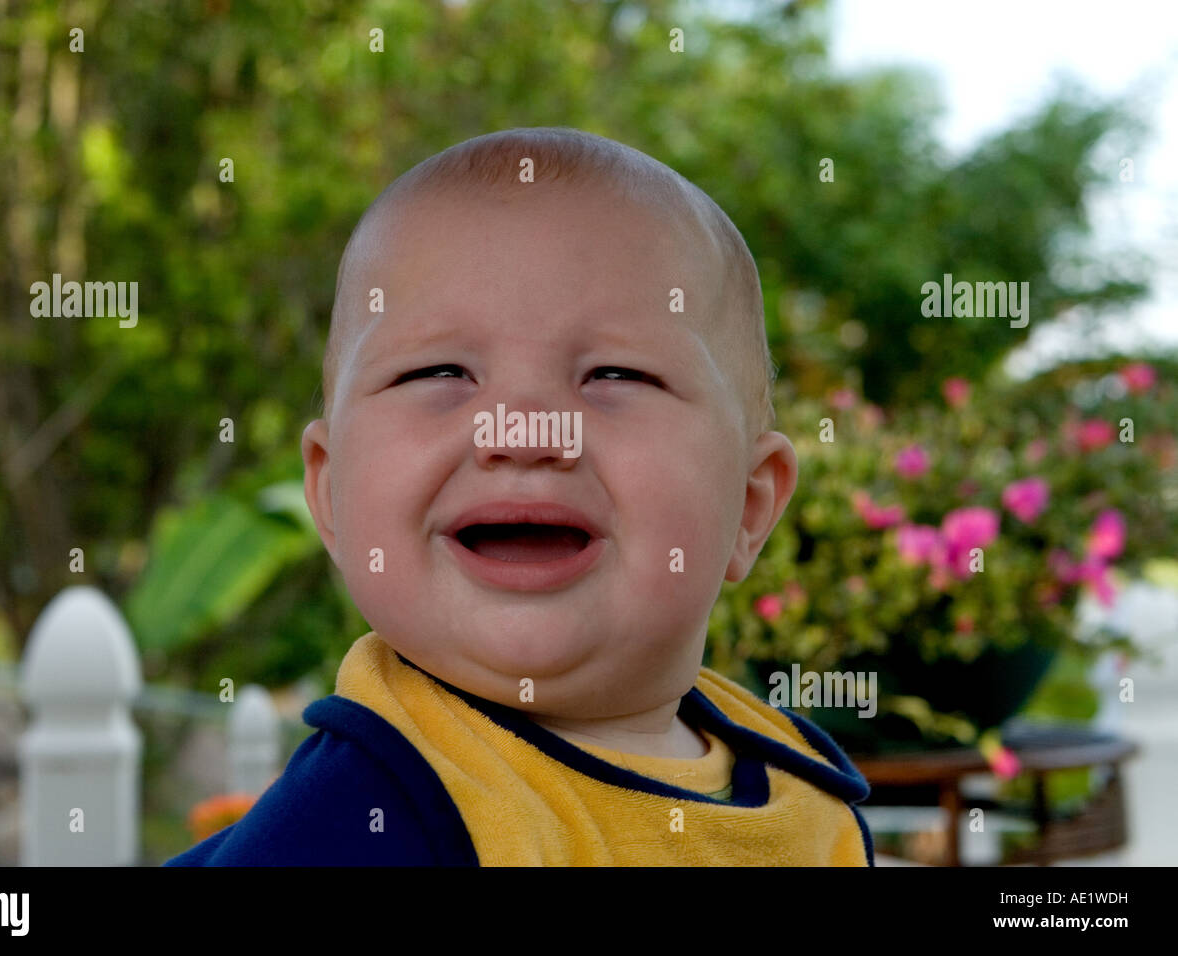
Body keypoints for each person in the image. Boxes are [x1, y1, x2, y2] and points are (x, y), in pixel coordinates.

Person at [167, 127, 873, 866]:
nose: (524, 429)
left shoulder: (807, 797)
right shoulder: (367, 819)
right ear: (332, 492)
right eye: (439, 372)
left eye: (615, 375)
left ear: (751, 507)